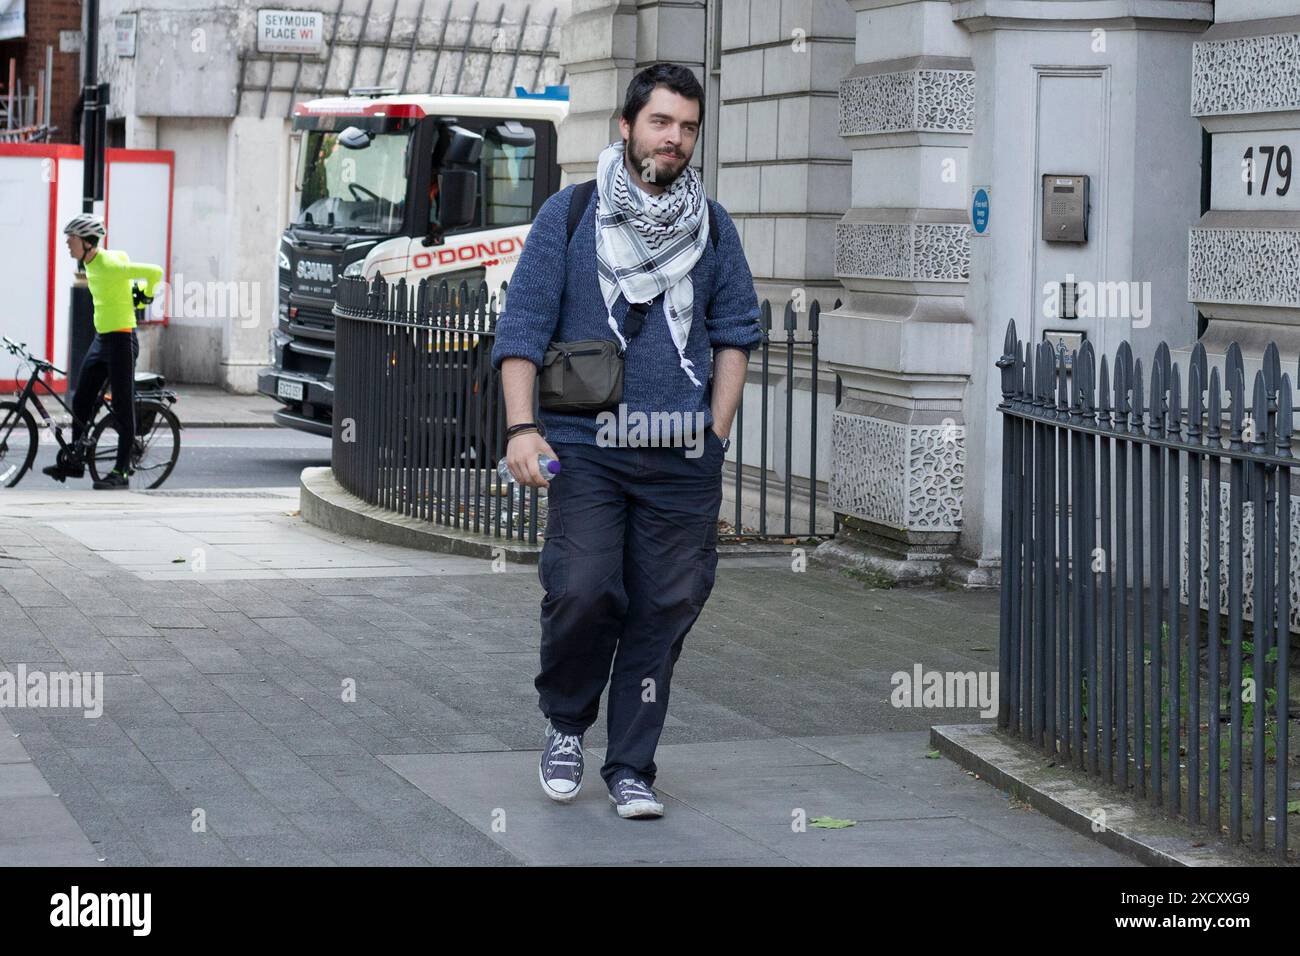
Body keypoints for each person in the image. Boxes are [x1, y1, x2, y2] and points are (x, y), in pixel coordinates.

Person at [491, 63, 761, 819]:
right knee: (582, 589)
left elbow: (737, 331)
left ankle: (633, 765)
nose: (673, 139)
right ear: (628, 125)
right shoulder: (570, 214)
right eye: (660, 122)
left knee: (666, 604)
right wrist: (522, 427)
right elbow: (522, 329)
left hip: (680, 452)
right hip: (586, 444)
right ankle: (567, 724)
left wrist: (715, 433)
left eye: (686, 127)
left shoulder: (714, 226)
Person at [43, 213, 163, 489]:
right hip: (102, 340)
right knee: (81, 399)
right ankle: (74, 461)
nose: (66, 243)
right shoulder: (94, 262)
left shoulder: (107, 264)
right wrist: (133, 291)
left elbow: (154, 271)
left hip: (121, 341)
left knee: (123, 407)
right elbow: (122, 258)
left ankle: (121, 473)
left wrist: (145, 293)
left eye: (70, 239)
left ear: (86, 242)